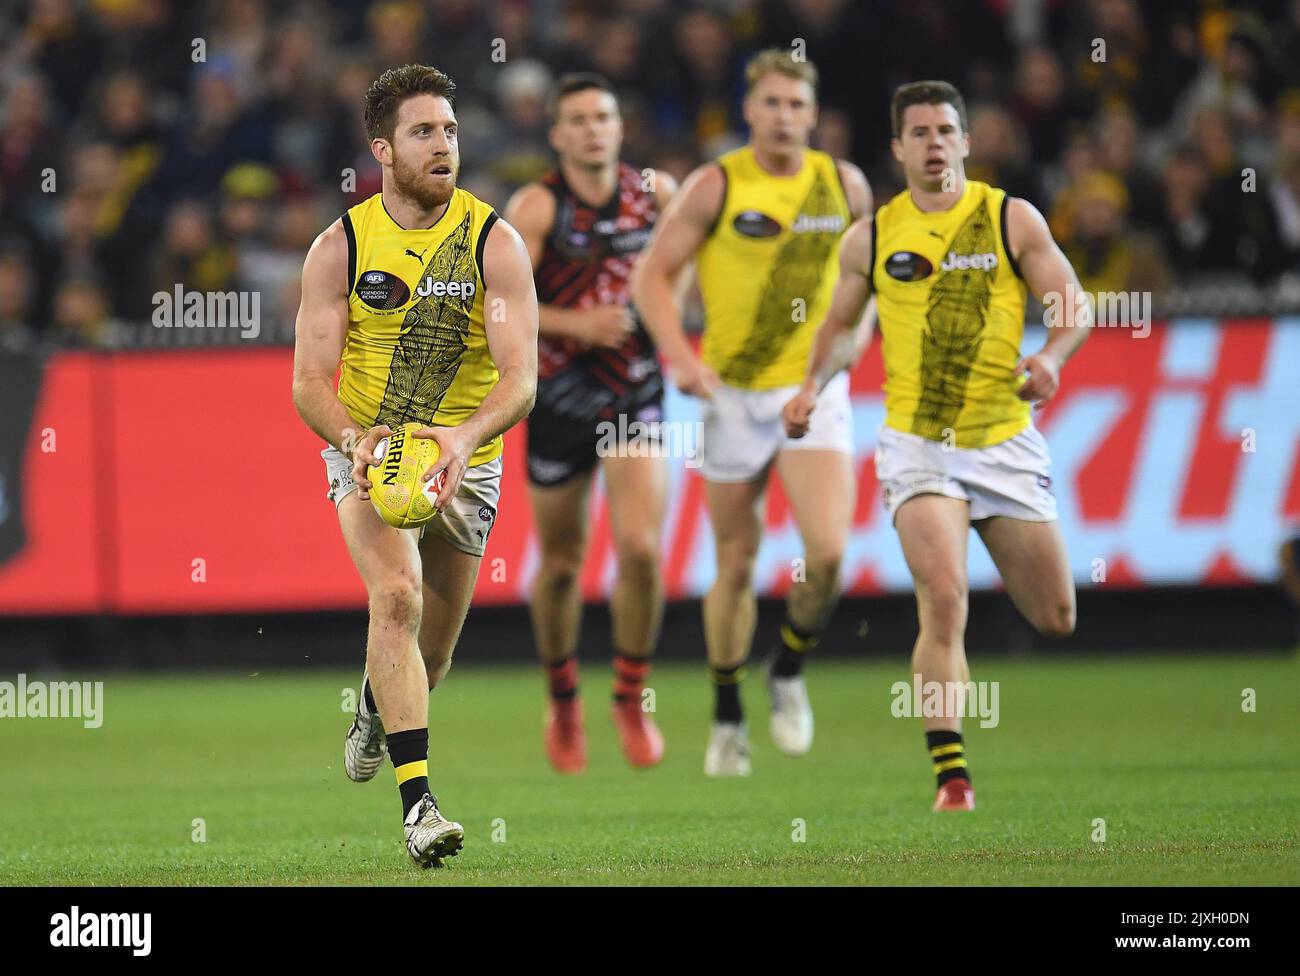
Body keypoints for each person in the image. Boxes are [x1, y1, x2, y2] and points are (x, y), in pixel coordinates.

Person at [783, 81, 1088, 811]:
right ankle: (952, 774)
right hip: (918, 445)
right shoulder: (873, 237)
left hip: (1004, 440)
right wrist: (812, 385)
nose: (933, 144)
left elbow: (1071, 303)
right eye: (918, 133)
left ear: (966, 141)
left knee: (1056, 616)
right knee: (944, 596)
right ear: (897, 148)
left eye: (945, 131)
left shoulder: (1010, 217)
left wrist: (1052, 358)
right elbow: (840, 327)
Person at [291, 64, 538, 866]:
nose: (444, 146)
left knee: (430, 658)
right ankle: (419, 809)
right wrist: (353, 440)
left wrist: (463, 439)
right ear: (383, 150)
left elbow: (521, 377)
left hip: (466, 457)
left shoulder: (495, 242)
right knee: (396, 595)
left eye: (452, 131)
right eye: (424, 132)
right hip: (373, 452)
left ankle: (374, 706)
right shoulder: (340, 247)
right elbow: (308, 382)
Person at [633, 50, 873, 777]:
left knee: (826, 554)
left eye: (796, 105)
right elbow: (651, 278)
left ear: (814, 114)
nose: (784, 117)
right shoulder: (717, 185)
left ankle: (788, 666)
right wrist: (680, 357)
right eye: (771, 103)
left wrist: (836, 362)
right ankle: (727, 714)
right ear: (749, 109)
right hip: (731, 396)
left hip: (811, 390)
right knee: (734, 562)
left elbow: (867, 289)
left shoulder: (845, 185)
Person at [503, 74, 678, 773]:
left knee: (640, 549)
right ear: (557, 135)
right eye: (576, 120)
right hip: (559, 397)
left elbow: (686, 268)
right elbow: (501, 305)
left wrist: (667, 318)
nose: (592, 129)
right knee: (561, 565)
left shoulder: (656, 194)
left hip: (635, 389)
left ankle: (629, 697)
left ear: (619, 126)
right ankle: (563, 697)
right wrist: (580, 324)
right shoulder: (539, 205)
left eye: (602, 116)